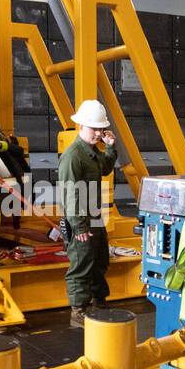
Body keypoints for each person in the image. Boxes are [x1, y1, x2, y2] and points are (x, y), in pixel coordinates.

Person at [59, 99, 119, 328]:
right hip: (81, 220)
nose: (98, 133)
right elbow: (69, 193)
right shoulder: (73, 155)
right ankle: (78, 312)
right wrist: (79, 226)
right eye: (94, 129)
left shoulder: (92, 152)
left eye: (101, 129)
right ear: (81, 126)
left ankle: (99, 304)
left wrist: (111, 146)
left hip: (94, 217)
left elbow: (105, 168)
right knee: (81, 265)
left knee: (100, 261)